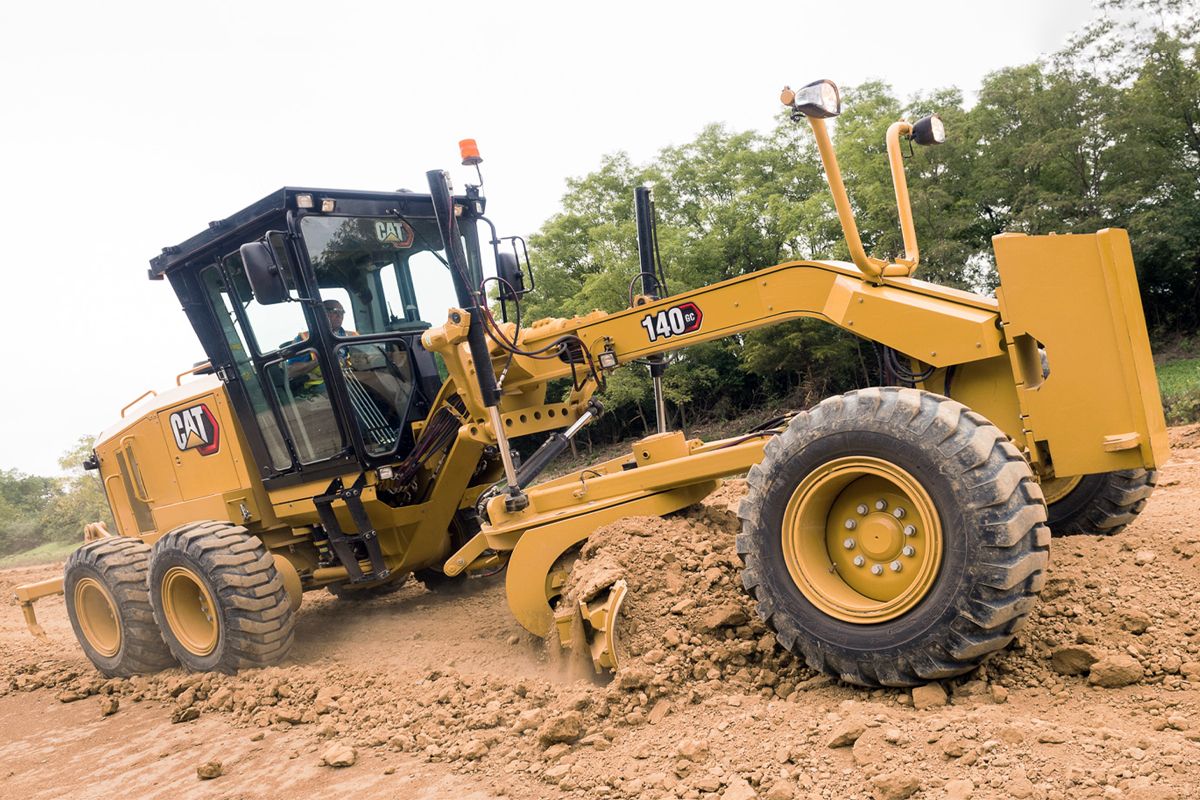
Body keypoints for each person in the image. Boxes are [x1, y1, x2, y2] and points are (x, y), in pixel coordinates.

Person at [287, 300, 357, 389]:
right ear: (321, 315)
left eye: (342, 312)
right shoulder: (306, 339)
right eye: (335, 311)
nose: (340, 315)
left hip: (351, 377)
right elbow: (291, 371)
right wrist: (321, 359)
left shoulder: (352, 336)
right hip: (321, 386)